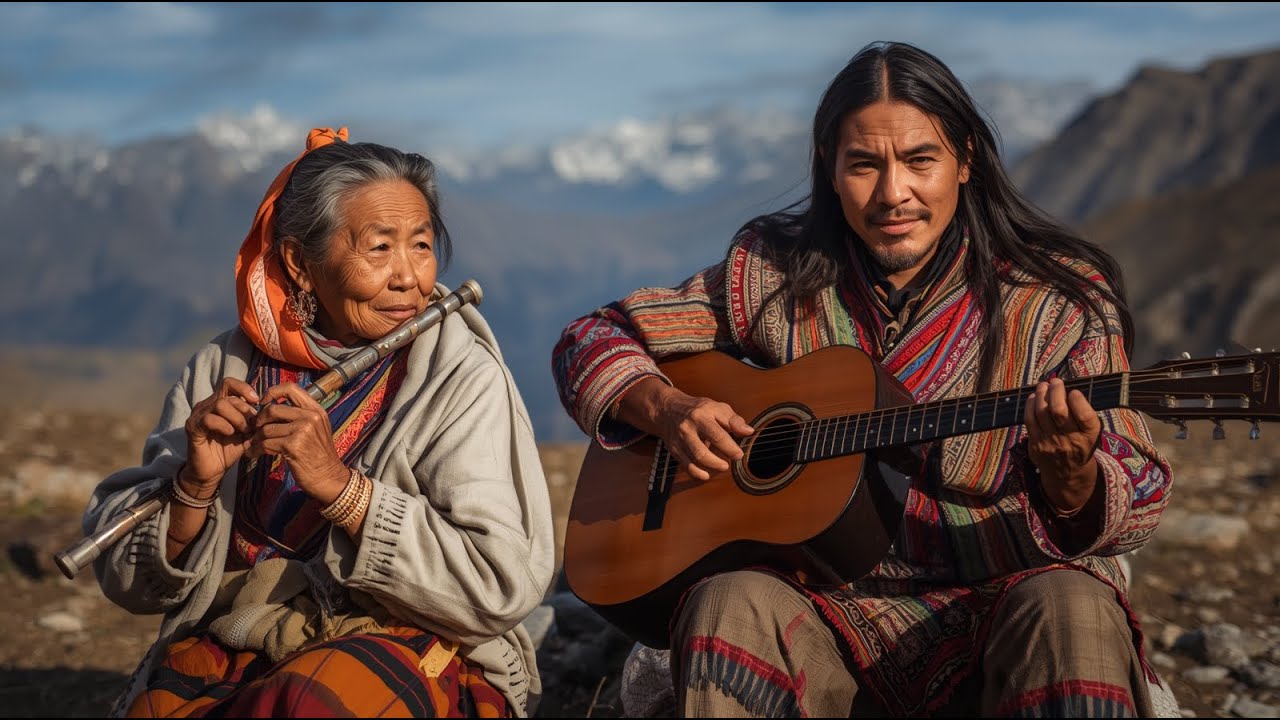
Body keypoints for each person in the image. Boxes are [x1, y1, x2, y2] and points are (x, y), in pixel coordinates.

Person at [551, 41, 1172, 717]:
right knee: (725, 602)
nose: (892, 194)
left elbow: (1136, 489)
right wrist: (666, 406)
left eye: (919, 161)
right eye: (863, 165)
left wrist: (1075, 478)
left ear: (965, 159)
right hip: (823, 615)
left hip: (1003, 613)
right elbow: (593, 338)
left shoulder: (1060, 302)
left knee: (1074, 607)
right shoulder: (773, 272)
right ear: (829, 166)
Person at [84, 128, 554, 718]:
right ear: (300, 264)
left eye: (421, 245)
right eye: (379, 249)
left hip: (411, 642)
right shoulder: (223, 368)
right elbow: (129, 584)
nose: (409, 277)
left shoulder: (460, 380)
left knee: (311, 703)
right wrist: (193, 487)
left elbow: (495, 586)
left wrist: (341, 488)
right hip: (238, 634)